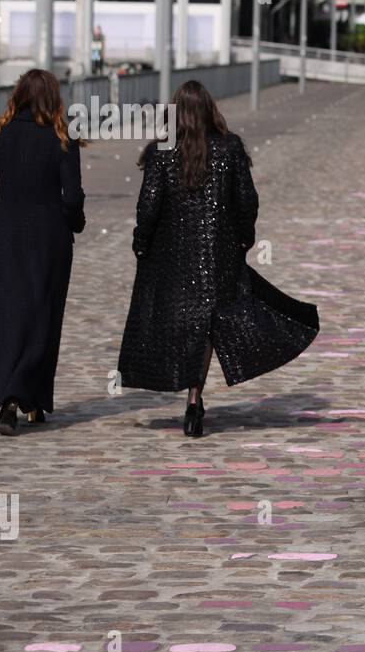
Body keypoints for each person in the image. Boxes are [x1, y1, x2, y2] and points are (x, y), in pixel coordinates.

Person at [117, 81, 319, 437]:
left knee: (186, 321)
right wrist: (245, 237)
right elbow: (247, 198)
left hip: (173, 256)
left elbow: (148, 205)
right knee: (208, 324)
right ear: (210, 109)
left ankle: (189, 389)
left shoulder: (162, 153)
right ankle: (195, 397)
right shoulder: (229, 148)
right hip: (218, 255)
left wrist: (141, 243)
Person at [0, 69, 86, 435]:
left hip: (7, 240)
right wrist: (75, 221)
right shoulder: (62, 137)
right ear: (53, 98)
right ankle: (24, 399)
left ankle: (23, 400)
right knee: (43, 317)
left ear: (19, 95)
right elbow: (71, 198)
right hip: (50, 241)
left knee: (6, 315)